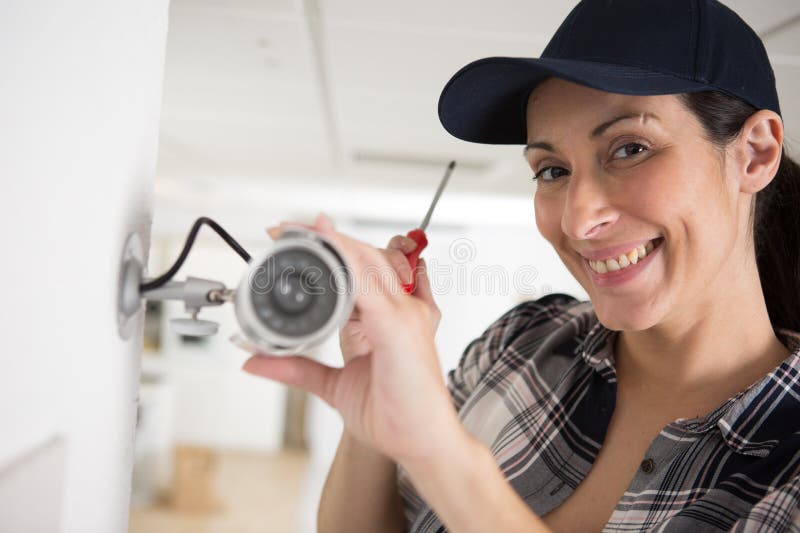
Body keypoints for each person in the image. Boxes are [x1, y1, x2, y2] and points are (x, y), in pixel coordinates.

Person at [243, 0, 800, 531]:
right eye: (552, 170)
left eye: (630, 148)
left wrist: (439, 452)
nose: (579, 220)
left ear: (755, 153)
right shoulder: (519, 342)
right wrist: (374, 402)